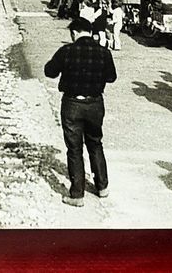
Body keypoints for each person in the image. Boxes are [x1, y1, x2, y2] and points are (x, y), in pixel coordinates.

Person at [44, 16, 117, 206]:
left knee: (74, 149)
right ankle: (102, 187)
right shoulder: (104, 52)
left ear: (74, 32)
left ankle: (77, 195)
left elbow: (49, 72)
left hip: (72, 104)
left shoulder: (66, 51)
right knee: (95, 143)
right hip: (95, 104)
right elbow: (111, 78)